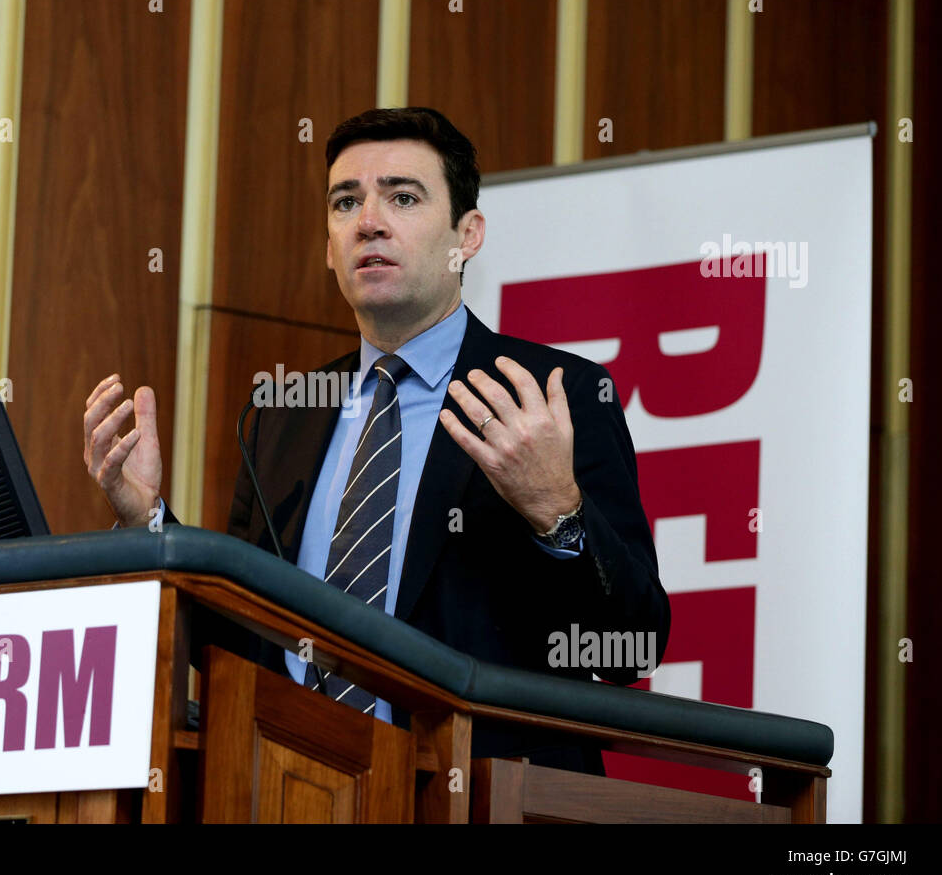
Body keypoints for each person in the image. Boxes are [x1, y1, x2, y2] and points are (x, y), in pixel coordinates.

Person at [83, 107, 669, 773]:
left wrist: (557, 513)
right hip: (296, 789)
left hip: (485, 796)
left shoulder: (551, 395)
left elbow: (633, 647)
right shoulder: (282, 416)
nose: (369, 221)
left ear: (467, 235)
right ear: (328, 245)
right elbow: (241, 640)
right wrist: (150, 524)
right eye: (345, 202)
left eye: (403, 196)